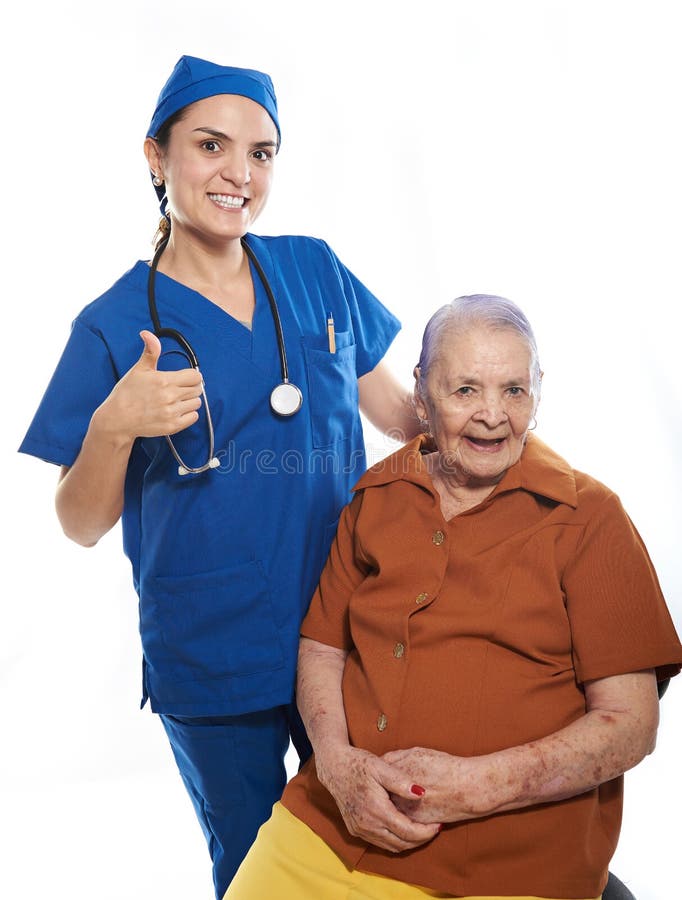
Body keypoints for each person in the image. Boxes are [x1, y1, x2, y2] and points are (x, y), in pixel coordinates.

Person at [18, 56, 419, 898]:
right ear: (155, 158)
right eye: (211, 145)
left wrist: (481, 407)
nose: (240, 173)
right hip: (212, 649)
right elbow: (78, 522)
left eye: (262, 152)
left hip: (348, 627)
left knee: (381, 842)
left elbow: (398, 416)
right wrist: (114, 425)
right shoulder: (114, 325)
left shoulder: (314, 272)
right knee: (260, 867)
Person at [225, 295, 682, 900]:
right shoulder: (376, 496)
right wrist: (336, 764)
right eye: (466, 390)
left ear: (539, 390)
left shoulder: (590, 519)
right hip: (335, 823)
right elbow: (321, 645)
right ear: (421, 391)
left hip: (505, 858)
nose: (493, 415)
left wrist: (475, 787)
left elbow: (631, 724)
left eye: (514, 390)